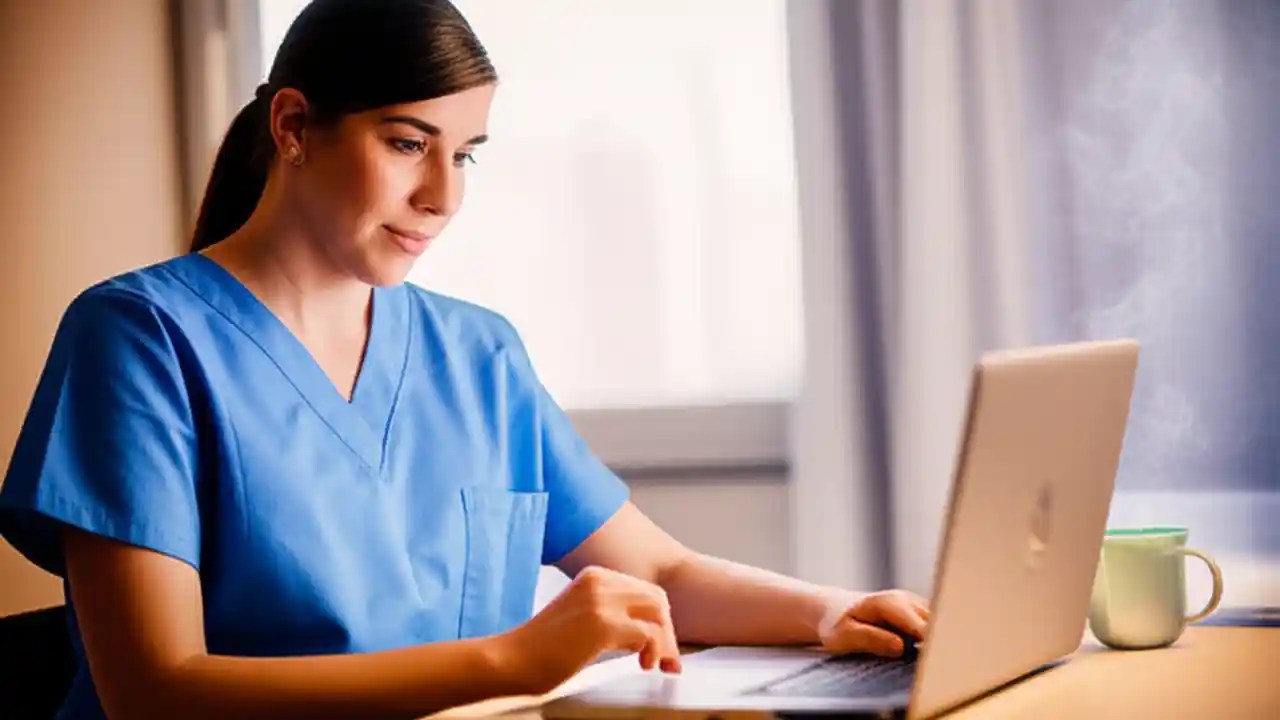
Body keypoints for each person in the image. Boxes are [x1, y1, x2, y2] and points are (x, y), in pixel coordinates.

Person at [0, 1, 929, 718]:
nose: (442, 195)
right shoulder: (140, 339)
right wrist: (513, 660)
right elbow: (155, 690)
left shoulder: (478, 354)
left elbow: (663, 577)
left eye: (467, 155)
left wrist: (829, 613)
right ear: (292, 126)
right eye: (409, 144)